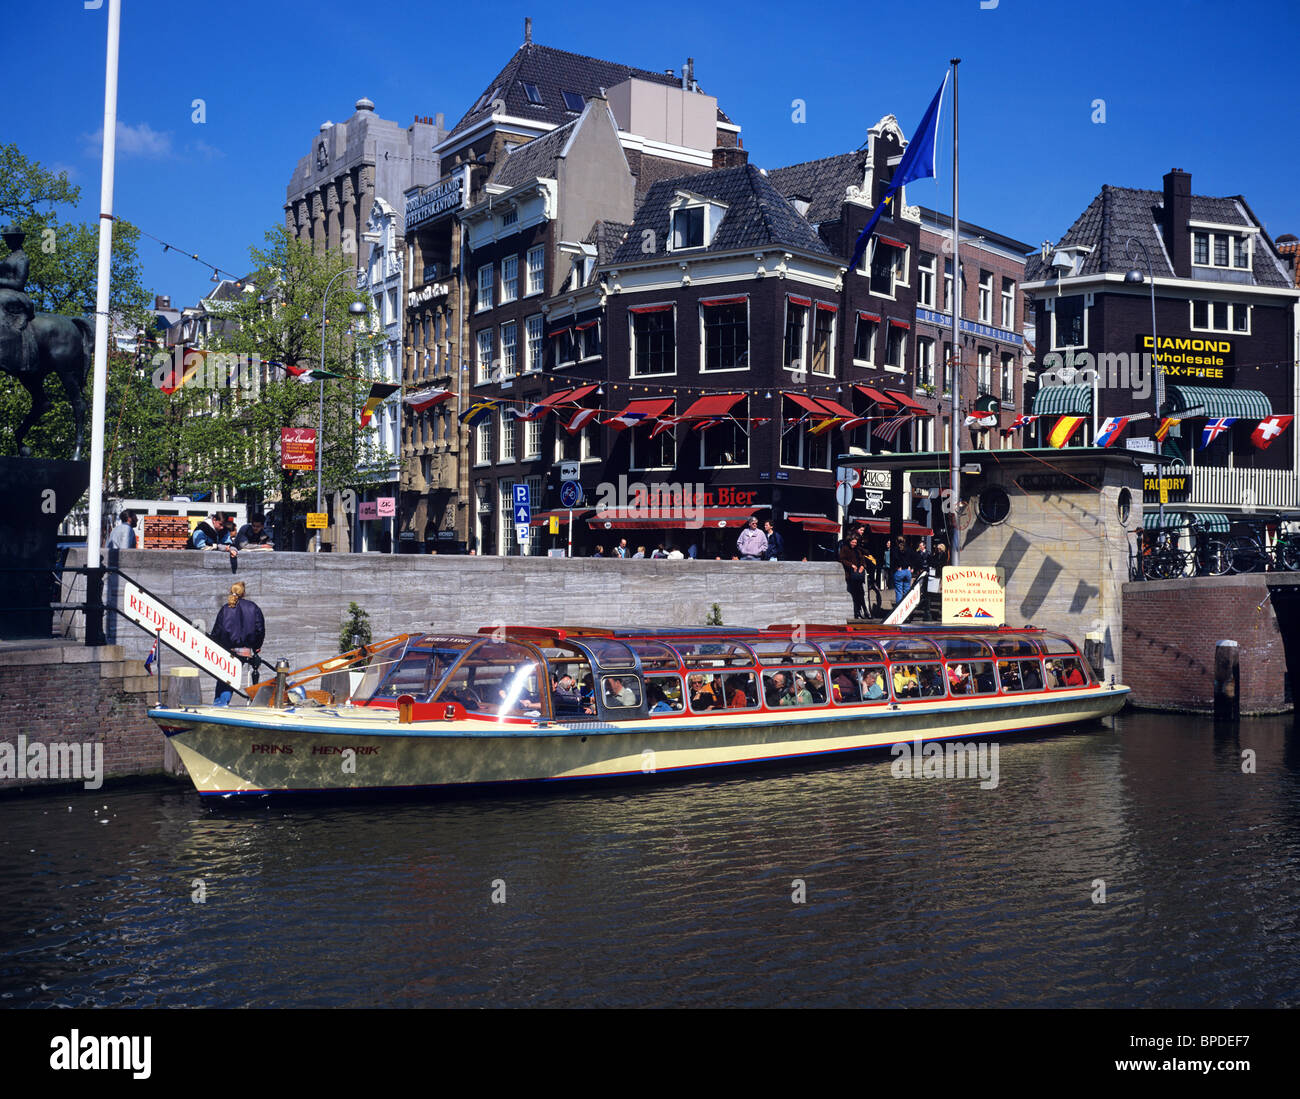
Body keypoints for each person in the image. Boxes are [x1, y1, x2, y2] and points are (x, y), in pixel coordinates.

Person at [209, 580, 265, 706]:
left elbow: (217, 631)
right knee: (237, 678)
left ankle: (220, 704)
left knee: (226, 679)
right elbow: (260, 629)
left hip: (229, 651)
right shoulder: (253, 607)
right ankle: (251, 704)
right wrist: (257, 647)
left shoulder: (225, 609)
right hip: (246, 650)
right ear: (243, 593)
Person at [838, 533, 869, 620]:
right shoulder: (845, 548)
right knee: (856, 594)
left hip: (858, 575)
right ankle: (860, 612)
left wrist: (862, 566)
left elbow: (862, 559)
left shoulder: (857, 549)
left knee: (860, 593)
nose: (854, 544)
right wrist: (851, 565)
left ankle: (862, 611)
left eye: (855, 542)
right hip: (851, 574)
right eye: (853, 542)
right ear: (849, 541)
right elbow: (842, 559)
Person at [892, 536, 914, 606]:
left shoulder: (895, 549)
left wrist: (897, 566)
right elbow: (914, 558)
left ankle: (899, 607)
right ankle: (907, 608)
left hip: (899, 570)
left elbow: (895, 559)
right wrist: (911, 566)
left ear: (896, 541)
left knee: (899, 591)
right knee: (907, 591)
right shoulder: (909, 549)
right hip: (907, 571)